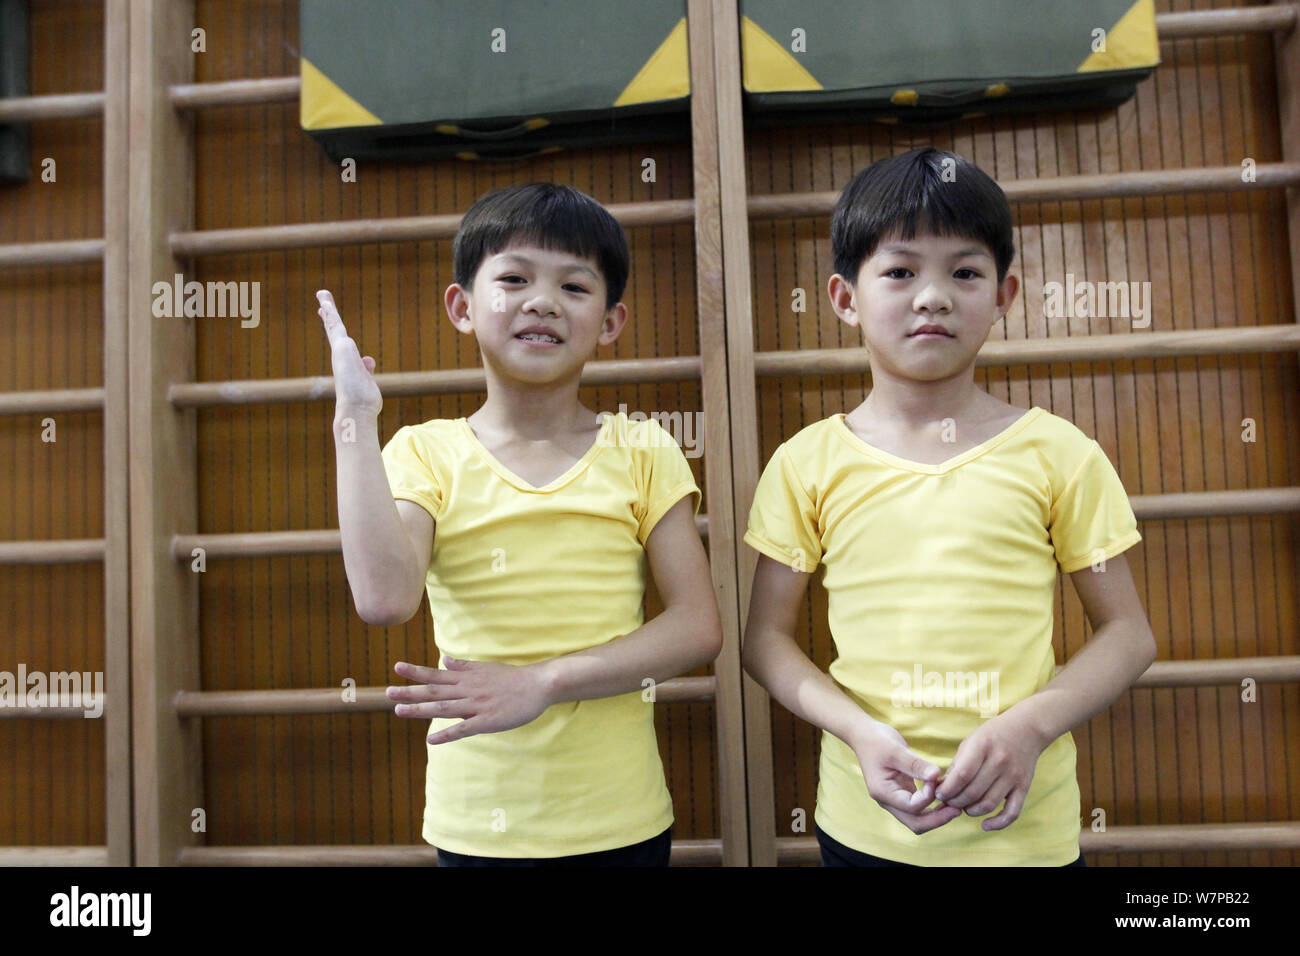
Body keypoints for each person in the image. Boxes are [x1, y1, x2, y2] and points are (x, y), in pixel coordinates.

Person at [741, 147, 1158, 866]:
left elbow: (1128, 633)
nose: (932, 296)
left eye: (964, 273)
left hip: (1025, 838)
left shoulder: (1060, 453)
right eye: (900, 271)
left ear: (1004, 295)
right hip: (864, 828)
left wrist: (1030, 727)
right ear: (845, 299)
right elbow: (765, 641)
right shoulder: (806, 462)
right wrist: (858, 732)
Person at [317, 182, 722, 866]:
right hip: (478, 825)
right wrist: (353, 420)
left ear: (611, 322)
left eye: (574, 286)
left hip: (620, 822)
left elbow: (697, 626)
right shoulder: (425, 450)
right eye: (513, 278)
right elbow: (384, 599)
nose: (543, 301)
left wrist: (544, 681)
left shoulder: (644, 448)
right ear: (462, 306)